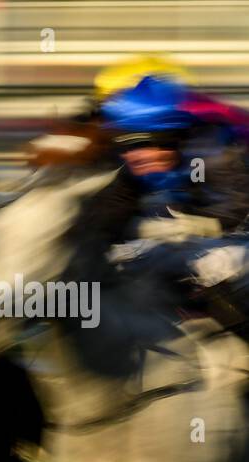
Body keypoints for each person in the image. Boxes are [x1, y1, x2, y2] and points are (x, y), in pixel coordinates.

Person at [96, 75, 249, 332]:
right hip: (193, 250)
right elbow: (107, 216)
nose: (139, 154)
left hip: (237, 243)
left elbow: (234, 208)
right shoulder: (131, 170)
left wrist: (193, 226)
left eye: (153, 143)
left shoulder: (212, 156)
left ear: (176, 139)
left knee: (216, 265)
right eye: (128, 144)